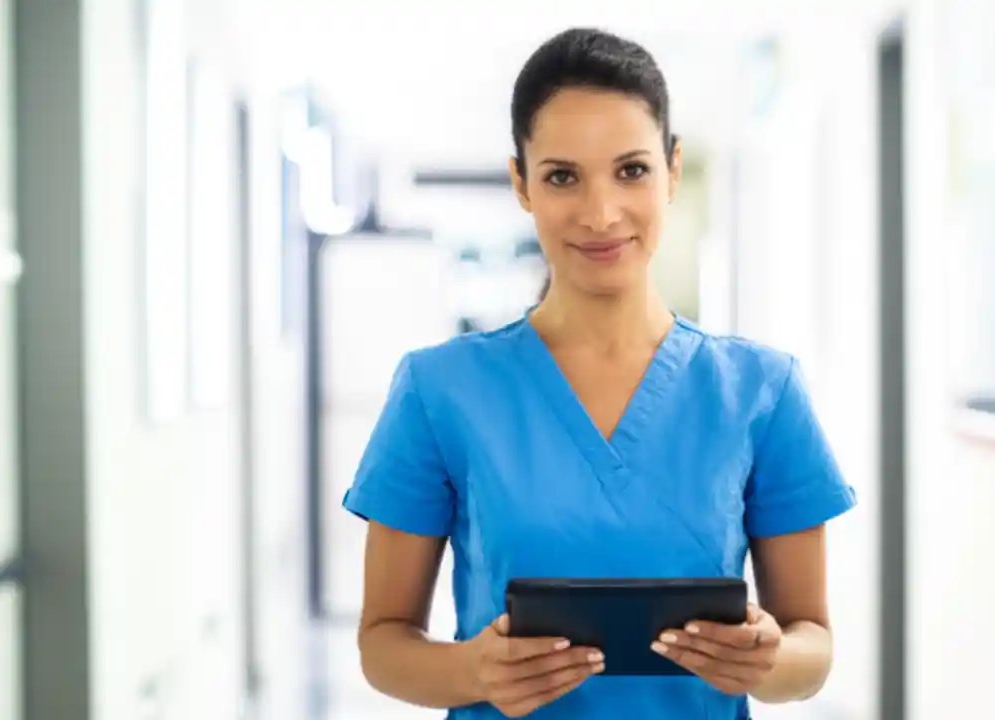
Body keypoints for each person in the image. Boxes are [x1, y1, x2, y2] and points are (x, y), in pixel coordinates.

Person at [344, 27, 856, 719]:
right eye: (561, 176)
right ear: (521, 184)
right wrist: (474, 671)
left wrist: (768, 658)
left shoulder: (761, 391)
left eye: (632, 170)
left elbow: (811, 651)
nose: (601, 212)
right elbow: (383, 645)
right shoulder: (441, 391)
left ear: (673, 171)